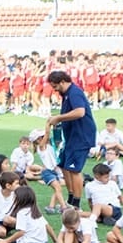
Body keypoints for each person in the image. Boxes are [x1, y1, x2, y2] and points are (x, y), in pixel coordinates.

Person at [43, 69, 95, 210]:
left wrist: (59, 118)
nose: (54, 89)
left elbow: (80, 112)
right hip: (72, 136)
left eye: (55, 86)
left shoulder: (74, 93)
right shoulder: (66, 94)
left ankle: (76, 204)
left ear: (62, 82)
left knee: (74, 170)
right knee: (64, 165)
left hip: (81, 137)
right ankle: (71, 197)